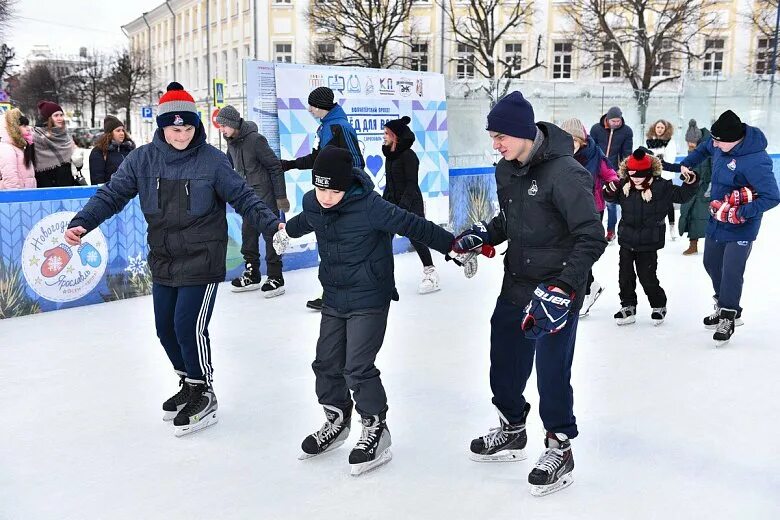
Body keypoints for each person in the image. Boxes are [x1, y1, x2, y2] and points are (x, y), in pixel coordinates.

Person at [64, 83, 283, 436]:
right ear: (162, 128)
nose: (181, 135)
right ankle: (189, 382)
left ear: (196, 127)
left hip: (202, 255)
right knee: (165, 329)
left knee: (187, 326)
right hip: (164, 256)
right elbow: (113, 194)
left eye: (187, 128)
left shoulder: (213, 160)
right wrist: (82, 222)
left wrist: (272, 225)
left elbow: (244, 196)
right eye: (173, 128)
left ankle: (204, 390)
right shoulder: (143, 158)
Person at [272, 145, 455, 476]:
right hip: (335, 297)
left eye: (334, 189)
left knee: (357, 367)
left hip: (370, 297)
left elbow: (415, 225)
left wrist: (454, 246)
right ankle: (337, 418)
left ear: (347, 185)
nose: (326, 196)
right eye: (321, 188)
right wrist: (284, 232)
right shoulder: (315, 203)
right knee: (326, 363)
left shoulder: (371, 206)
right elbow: (303, 221)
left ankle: (375, 428)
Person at [457, 92, 606, 496]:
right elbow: (512, 219)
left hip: (556, 290)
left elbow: (591, 237)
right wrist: (485, 233)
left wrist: (565, 287)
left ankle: (560, 446)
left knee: (552, 372)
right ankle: (512, 428)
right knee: (504, 362)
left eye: (501, 135)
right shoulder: (507, 170)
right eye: (492, 136)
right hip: (516, 283)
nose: (496, 144)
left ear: (524, 132)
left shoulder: (566, 173)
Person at [679, 110, 780, 346]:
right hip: (717, 216)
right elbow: (704, 149)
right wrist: (687, 163)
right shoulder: (718, 143)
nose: (714, 144)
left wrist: (741, 212)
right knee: (711, 263)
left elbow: (772, 196)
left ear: (733, 140)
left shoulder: (756, 160)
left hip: (741, 225)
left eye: (718, 141)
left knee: (732, 270)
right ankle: (725, 303)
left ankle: (728, 315)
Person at [280, 86, 365, 311]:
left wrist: (348, 193)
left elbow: (356, 161)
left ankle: (347, 293)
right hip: (333, 197)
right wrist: (291, 165)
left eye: (311, 105)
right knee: (331, 247)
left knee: (342, 247)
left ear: (320, 107)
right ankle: (332, 293)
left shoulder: (339, 127)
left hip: (343, 199)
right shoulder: (328, 126)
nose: (309, 109)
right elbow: (321, 158)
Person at [604, 148, 699, 326]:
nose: (637, 178)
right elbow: (610, 197)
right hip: (627, 239)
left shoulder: (661, 186)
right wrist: (609, 190)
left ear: (649, 172)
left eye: (641, 174)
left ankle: (658, 305)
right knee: (625, 276)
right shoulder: (625, 185)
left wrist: (691, 182)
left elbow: (682, 196)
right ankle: (628, 306)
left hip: (649, 241)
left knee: (647, 276)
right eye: (633, 174)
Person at [217, 104, 290, 297]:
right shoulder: (231, 142)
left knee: (271, 236)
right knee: (248, 236)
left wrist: (281, 197)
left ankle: (276, 277)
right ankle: (252, 273)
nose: (221, 129)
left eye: (223, 125)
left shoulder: (256, 140)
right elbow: (226, 168)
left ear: (233, 123)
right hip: (246, 198)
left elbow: (275, 167)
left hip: (265, 196)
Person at [559, 117, 618, 317]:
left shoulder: (594, 154)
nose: (571, 145)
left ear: (582, 140)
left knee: (582, 248)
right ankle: (588, 286)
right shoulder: (557, 156)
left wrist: (613, 184)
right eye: (567, 140)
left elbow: (610, 174)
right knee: (569, 250)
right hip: (567, 209)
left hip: (592, 208)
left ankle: (586, 289)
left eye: (574, 140)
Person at [381, 115, 439, 294]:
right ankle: (382, 277)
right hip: (391, 204)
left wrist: (403, 206)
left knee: (417, 237)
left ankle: (431, 273)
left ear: (395, 136)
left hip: (410, 203)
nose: (383, 136)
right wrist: (383, 203)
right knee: (383, 238)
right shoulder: (389, 156)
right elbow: (390, 184)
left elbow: (411, 183)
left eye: (386, 133)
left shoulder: (408, 156)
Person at [590, 106, 633, 243]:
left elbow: (627, 153)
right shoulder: (596, 129)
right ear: (607, 119)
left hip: (613, 171)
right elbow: (591, 148)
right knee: (595, 201)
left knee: (611, 203)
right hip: (596, 170)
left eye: (618, 120)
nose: (616, 123)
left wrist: (624, 172)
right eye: (613, 121)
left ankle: (610, 231)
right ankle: (596, 230)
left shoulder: (626, 132)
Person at [677, 120, 712, 256]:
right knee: (690, 214)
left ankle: (709, 246)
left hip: (705, 189)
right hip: (693, 186)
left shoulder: (710, 149)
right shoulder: (693, 149)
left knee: (703, 217)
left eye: (691, 143)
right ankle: (693, 245)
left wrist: (710, 188)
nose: (689, 145)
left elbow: (715, 169)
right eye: (688, 142)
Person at [32, 100, 80, 188]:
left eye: (61, 115)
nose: (60, 118)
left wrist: (78, 161)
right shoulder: (36, 137)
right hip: (46, 188)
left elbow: (74, 165)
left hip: (67, 186)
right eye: (56, 115)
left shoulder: (66, 136)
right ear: (47, 118)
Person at [645, 119, 679, 241]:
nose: (659, 129)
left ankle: (672, 226)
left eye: (662, 128)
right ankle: (655, 226)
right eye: (658, 127)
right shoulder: (649, 141)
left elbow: (669, 160)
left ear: (666, 129)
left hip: (666, 175)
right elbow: (647, 157)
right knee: (654, 202)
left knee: (669, 202)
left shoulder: (670, 142)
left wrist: (657, 160)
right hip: (653, 176)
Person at [88, 116, 136, 185]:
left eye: (123, 130)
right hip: (110, 193)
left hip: (131, 193)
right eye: (118, 130)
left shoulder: (129, 149)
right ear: (109, 133)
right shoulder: (99, 152)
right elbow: (97, 180)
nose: (122, 133)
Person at [0, 108, 37, 189]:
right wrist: (16, 197)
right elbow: (10, 178)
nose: (28, 128)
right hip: (18, 197)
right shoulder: (7, 148)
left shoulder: (20, 147)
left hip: (26, 195)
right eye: (24, 126)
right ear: (14, 128)